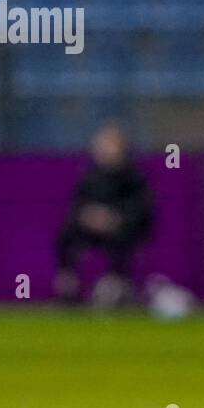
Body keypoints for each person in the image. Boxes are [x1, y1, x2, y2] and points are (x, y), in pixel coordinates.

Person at [53, 123, 153, 306]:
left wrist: (115, 218)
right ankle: (68, 282)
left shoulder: (133, 178)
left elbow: (142, 210)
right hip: (92, 228)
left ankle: (116, 284)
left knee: (121, 241)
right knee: (66, 235)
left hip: (121, 229)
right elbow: (77, 206)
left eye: (111, 146)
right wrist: (89, 216)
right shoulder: (90, 177)